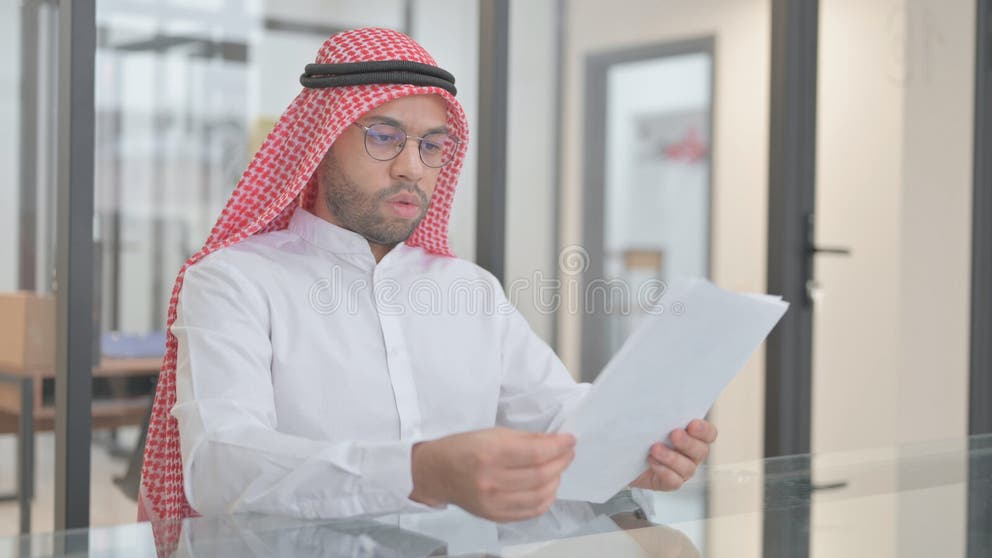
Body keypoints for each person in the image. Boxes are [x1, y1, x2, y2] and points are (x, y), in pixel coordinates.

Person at [139, 27, 717, 526]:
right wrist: (419, 471)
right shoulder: (233, 282)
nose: (411, 167)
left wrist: (640, 449)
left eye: (431, 145)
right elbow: (220, 463)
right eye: (382, 135)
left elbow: (558, 415)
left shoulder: (470, 290)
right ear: (320, 141)